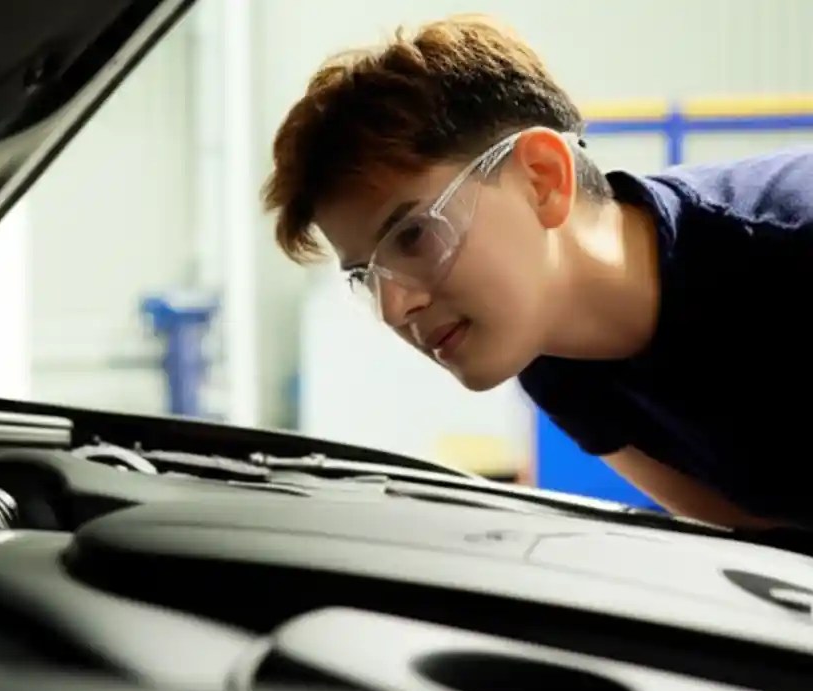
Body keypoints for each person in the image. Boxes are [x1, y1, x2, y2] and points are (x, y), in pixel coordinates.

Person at [261, 14, 813, 530]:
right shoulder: (557, 367)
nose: (393, 307)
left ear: (543, 179)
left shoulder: (788, 250)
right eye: (366, 275)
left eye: (414, 236)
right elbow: (759, 546)